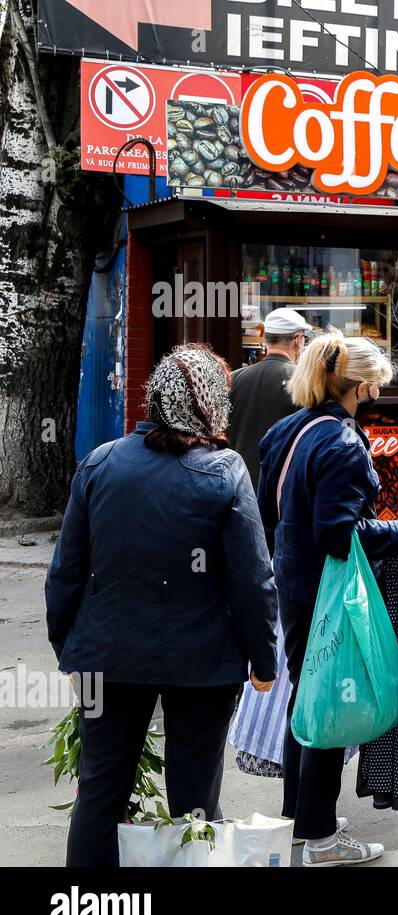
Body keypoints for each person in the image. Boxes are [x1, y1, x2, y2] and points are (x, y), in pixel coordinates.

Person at [46, 345, 278, 867]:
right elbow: (253, 580)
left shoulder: (99, 463)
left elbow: (65, 571)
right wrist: (264, 660)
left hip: (106, 656)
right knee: (195, 799)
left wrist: (70, 648)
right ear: (213, 404)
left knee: (100, 789)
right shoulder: (225, 472)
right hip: (202, 662)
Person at [258, 330, 398, 866]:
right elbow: (337, 532)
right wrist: (397, 532)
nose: (378, 393)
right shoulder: (343, 442)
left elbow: (272, 512)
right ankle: (322, 840)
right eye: (376, 385)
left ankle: (300, 817)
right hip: (327, 592)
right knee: (332, 702)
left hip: (292, 582)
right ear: (361, 388)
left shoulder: (287, 429)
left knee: (306, 699)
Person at [228, 308, 313, 487]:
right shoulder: (304, 382)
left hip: (236, 485)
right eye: (304, 338)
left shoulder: (233, 379)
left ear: (265, 338)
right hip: (282, 490)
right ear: (298, 340)